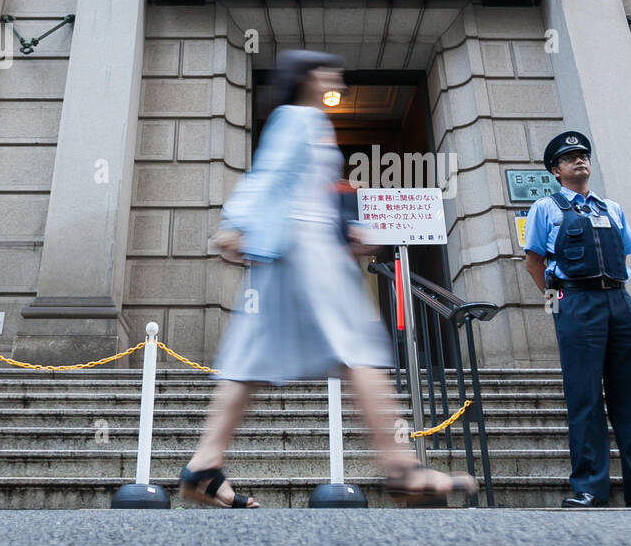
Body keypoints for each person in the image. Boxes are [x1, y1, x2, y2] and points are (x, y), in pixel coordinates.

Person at [178, 49, 477, 508]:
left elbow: (291, 184)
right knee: (357, 345)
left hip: (286, 251)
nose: (336, 74)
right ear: (309, 76)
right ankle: (400, 468)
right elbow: (268, 176)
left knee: (251, 356)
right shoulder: (301, 119)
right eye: (326, 68)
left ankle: (204, 464)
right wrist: (236, 222)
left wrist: (348, 229)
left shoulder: (302, 121)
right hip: (306, 250)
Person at [522, 130, 631, 509]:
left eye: (584, 155)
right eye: (570, 158)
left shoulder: (611, 208)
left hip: (619, 302)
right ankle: (590, 488)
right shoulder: (545, 208)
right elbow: (533, 261)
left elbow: (624, 255)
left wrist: (622, 304)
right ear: (556, 170)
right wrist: (557, 304)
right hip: (576, 301)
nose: (579, 161)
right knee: (584, 397)